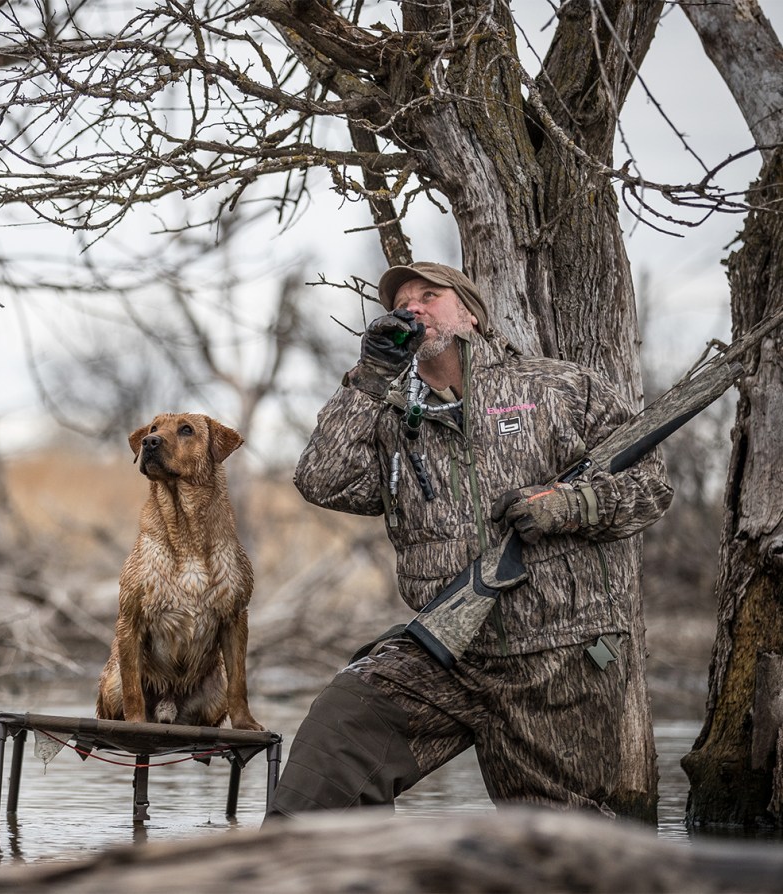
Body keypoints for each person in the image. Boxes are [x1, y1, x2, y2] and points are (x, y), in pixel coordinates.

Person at [268, 261, 673, 817]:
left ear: (472, 315)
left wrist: (568, 506)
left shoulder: (556, 386)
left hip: (560, 657)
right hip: (446, 651)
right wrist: (368, 376)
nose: (411, 308)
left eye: (428, 296)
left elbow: (652, 484)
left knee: (558, 843)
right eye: (401, 302)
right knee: (340, 732)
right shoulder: (386, 415)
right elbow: (321, 480)